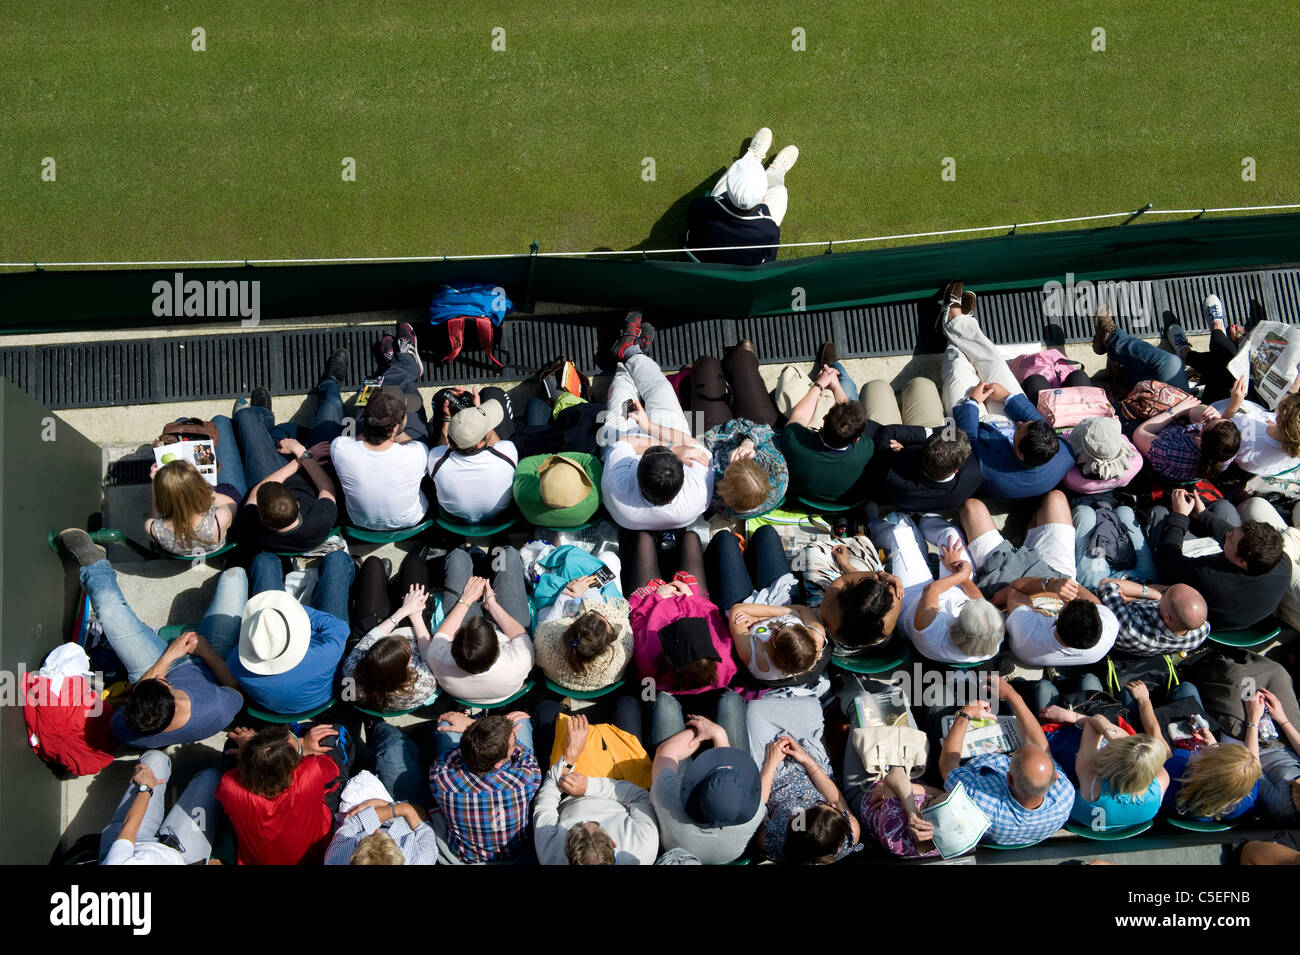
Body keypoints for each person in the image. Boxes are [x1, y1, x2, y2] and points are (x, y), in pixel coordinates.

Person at [56, 530, 244, 747]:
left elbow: (146, 685)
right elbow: (236, 689)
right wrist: (205, 651)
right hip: (212, 661)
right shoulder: (217, 710)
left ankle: (94, 564)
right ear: (173, 699)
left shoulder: (126, 726)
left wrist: (169, 657)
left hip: (159, 661)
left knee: (109, 613)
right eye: (162, 681)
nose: (160, 678)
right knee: (235, 575)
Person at [939, 280, 1073, 498]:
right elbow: (1034, 421)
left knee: (958, 364)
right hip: (1003, 414)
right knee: (994, 361)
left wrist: (972, 402)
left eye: (1021, 429)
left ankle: (957, 321)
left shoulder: (989, 470)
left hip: (974, 427)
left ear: (1020, 455)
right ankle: (958, 321)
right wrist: (1008, 397)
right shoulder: (1061, 452)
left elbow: (966, 442)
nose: (1020, 422)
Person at [601, 312, 714, 530]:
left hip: (625, 439)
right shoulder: (698, 491)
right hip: (664, 435)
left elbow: (624, 442)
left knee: (624, 390)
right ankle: (633, 352)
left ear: (638, 472)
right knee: (660, 388)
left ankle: (628, 356)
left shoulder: (618, 489)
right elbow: (694, 444)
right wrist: (651, 428)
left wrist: (673, 448)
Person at [233, 349, 347, 553]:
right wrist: (302, 453)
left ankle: (265, 417)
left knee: (246, 418)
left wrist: (299, 458)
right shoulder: (320, 520)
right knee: (331, 407)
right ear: (298, 504)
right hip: (312, 474)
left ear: (261, 517)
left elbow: (259, 488)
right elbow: (326, 487)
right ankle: (330, 382)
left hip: (274, 472)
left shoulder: (252, 524)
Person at [939, 676, 1075, 845]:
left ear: (1008, 778)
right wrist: (1012, 695)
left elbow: (948, 765)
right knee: (996, 706)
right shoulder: (1064, 797)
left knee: (940, 700)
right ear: (1054, 778)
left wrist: (965, 714)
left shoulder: (981, 802)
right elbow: (1042, 748)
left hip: (970, 759)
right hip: (996, 753)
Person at [227, 549, 353, 714]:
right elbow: (340, 627)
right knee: (337, 559)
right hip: (323, 696)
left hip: (277, 708)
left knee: (263, 560)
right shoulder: (326, 652)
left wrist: (275, 615)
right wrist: (292, 611)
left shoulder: (236, 663)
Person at [868, 513, 1004, 665]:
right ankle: (925, 520)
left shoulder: (932, 634)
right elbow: (980, 602)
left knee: (900, 533)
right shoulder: (992, 639)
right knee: (951, 536)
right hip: (955, 588)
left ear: (957, 626)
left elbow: (931, 590)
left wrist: (960, 574)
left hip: (913, 597)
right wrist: (963, 578)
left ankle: (870, 524)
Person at [531, 713, 659, 865]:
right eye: (595, 824)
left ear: (567, 851)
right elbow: (640, 797)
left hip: (566, 788)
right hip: (621, 786)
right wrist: (589, 786)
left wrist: (570, 757)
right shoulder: (644, 847)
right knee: (626, 707)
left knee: (546, 710)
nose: (585, 818)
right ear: (613, 843)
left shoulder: (550, 858)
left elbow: (544, 805)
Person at [1039, 682, 1169, 830]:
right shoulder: (1161, 782)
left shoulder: (1092, 783)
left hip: (1073, 813)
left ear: (1112, 757)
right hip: (1099, 827)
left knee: (1046, 688)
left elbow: (1094, 721)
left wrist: (1112, 735)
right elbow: (1144, 761)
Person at [1152, 488, 1288, 630]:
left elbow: (1168, 559)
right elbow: (1231, 534)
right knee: (1223, 506)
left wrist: (1179, 516)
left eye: (1231, 539)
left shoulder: (1209, 578)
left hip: (1204, 597)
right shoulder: (1281, 561)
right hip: (1241, 606)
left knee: (1160, 513)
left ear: (1242, 561)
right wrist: (1203, 514)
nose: (1228, 535)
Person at [749, 696, 861, 863]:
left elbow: (758, 808)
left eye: (820, 805)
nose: (832, 805)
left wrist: (770, 763)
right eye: (835, 810)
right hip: (814, 771)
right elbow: (835, 799)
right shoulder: (848, 835)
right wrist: (807, 761)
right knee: (811, 705)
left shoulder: (773, 843)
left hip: (769, 777)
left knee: (754, 710)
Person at [217, 723, 345, 865]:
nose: (301, 740)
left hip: (257, 860)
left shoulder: (229, 785)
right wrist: (305, 749)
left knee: (230, 746)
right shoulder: (310, 772)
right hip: (314, 856)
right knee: (336, 734)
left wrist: (251, 750)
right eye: (298, 744)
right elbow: (333, 768)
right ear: (293, 767)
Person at [650, 705, 763, 865]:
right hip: (716, 852)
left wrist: (704, 731)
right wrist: (719, 735)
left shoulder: (669, 800)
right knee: (731, 701)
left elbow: (666, 752)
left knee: (665, 703)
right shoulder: (755, 815)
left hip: (678, 806)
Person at [428, 710, 541, 864]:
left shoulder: (442, 780)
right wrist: (497, 739)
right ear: (499, 763)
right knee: (523, 722)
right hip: (516, 853)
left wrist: (475, 733)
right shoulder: (524, 780)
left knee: (445, 724)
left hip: (464, 857)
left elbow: (445, 759)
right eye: (513, 743)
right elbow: (526, 755)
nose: (515, 742)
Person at [629, 532, 737, 694]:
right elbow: (713, 616)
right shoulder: (723, 666)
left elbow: (636, 622)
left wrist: (657, 597)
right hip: (693, 600)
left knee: (644, 540)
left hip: (654, 602)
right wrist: (691, 597)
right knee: (691, 538)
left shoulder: (648, 665)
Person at [425, 548, 533, 706]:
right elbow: (519, 634)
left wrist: (467, 600)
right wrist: (492, 604)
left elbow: (443, 634)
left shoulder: (437, 659)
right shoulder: (520, 662)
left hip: (471, 617)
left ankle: (474, 557)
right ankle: (489, 557)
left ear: (453, 647)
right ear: (498, 646)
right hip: (508, 631)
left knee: (457, 557)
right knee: (507, 554)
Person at [684, 126, 797, 266]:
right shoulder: (769, 230)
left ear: (728, 189)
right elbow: (768, 260)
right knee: (780, 191)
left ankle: (753, 156)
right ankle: (776, 172)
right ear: (762, 198)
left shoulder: (702, 206)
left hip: (701, 261)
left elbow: (690, 227)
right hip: (735, 268)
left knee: (776, 189)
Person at [344, 555, 439, 712]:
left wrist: (402, 612)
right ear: (405, 668)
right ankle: (394, 589)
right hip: (415, 629)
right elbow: (429, 656)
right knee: (414, 563)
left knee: (373, 563)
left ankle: (390, 590)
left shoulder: (353, 672)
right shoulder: (423, 685)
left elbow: (370, 638)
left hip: (376, 627)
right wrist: (414, 614)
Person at [146, 412, 246, 557]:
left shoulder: (152, 528)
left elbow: (158, 515)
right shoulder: (219, 520)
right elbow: (231, 502)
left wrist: (155, 483)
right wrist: (202, 488)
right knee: (220, 421)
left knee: (182, 424)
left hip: (190, 497)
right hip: (217, 496)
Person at [330, 388, 429, 531]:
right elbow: (410, 443)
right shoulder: (419, 452)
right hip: (411, 521)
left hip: (360, 522)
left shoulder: (339, 448)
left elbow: (355, 440)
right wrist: (398, 431)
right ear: (395, 428)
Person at [780, 360, 875, 508]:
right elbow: (849, 420)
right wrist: (835, 385)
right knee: (845, 381)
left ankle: (831, 364)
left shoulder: (795, 443)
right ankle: (832, 364)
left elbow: (798, 418)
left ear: (824, 418)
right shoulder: (866, 450)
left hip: (804, 499)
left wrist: (820, 384)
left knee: (795, 371)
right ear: (856, 439)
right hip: (837, 506)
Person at [99, 751, 222, 865]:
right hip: (183, 857)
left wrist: (146, 786)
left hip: (133, 841)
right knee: (212, 778)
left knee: (155, 759)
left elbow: (129, 828)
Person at [957, 490, 1078, 598]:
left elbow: (999, 599)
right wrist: (1057, 584)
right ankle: (1029, 540)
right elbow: (1085, 597)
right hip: (1055, 576)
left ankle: (1028, 542)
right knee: (1056, 498)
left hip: (1004, 580)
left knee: (971, 507)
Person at [428, 388, 519, 523]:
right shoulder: (508, 451)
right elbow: (497, 444)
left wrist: (448, 418)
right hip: (501, 517)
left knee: (441, 397)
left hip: (456, 520)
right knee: (493, 392)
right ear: (480, 444)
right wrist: (477, 411)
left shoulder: (436, 459)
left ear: (451, 441)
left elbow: (441, 448)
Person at [1161, 703, 1263, 822]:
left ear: (1205, 767)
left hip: (1165, 753)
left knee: (1186, 694)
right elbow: (1251, 764)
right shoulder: (1244, 800)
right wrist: (1213, 744)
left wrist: (1145, 702)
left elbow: (1157, 738)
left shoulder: (1177, 770)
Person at [533, 578, 633, 695]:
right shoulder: (620, 656)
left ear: (572, 624)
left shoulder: (547, 638)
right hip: (597, 689)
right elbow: (621, 622)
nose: (606, 616)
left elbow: (548, 622)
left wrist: (568, 592)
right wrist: (587, 592)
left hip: (554, 680)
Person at [1132, 385, 1243, 483]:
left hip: (1149, 435)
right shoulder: (1226, 452)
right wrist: (1206, 411)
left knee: (1142, 388)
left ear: (1201, 436)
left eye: (1211, 421)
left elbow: (1139, 434)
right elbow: (1195, 415)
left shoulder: (1171, 451)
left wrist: (1176, 411)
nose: (1213, 417)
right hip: (1177, 422)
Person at [1001, 577, 1119, 669]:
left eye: (1067, 603)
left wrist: (1053, 584)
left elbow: (1015, 588)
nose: (1077, 597)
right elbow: (1096, 602)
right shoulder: (1110, 626)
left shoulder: (1026, 630)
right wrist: (1070, 589)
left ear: (1055, 622)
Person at [873, 423, 982, 513]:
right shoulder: (972, 478)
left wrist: (901, 450)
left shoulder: (894, 476)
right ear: (956, 470)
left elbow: (885, 433)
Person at [678, 341, 781, 430]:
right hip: (766, 435)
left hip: (708, 441)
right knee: (743, 364)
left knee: (705, 367)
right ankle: (743, 357)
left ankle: (691, 379)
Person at [1097, 577, 1211, 657]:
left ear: (1168, 618)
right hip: (1129, 592)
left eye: (1164, 594)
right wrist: (1133, 597)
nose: (1162, 593)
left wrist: (1153, 593)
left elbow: (1105, 583)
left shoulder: (1132, 628)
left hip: (1109, 595)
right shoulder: (1202, 631)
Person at [701, 417, 787, 519]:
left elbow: (699, 445)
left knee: (697, 417)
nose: (733, 461)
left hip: (712, 437)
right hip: (744, 429)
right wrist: (749, 441)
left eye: (728, 470)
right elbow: (767, 431)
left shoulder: (716, 501)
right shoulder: (778, 475)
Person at [1072, 501, 1158, 589]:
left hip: (1100, 587)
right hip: (1145, 580)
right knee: (1125, 511)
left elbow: (1103, 590)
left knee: (1084, 513)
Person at [513, 452, 602, 529]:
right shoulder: (593, 499)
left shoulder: (522, 495)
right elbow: (589, 459)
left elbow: (527, 461)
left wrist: (554, 458)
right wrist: (558, 457)